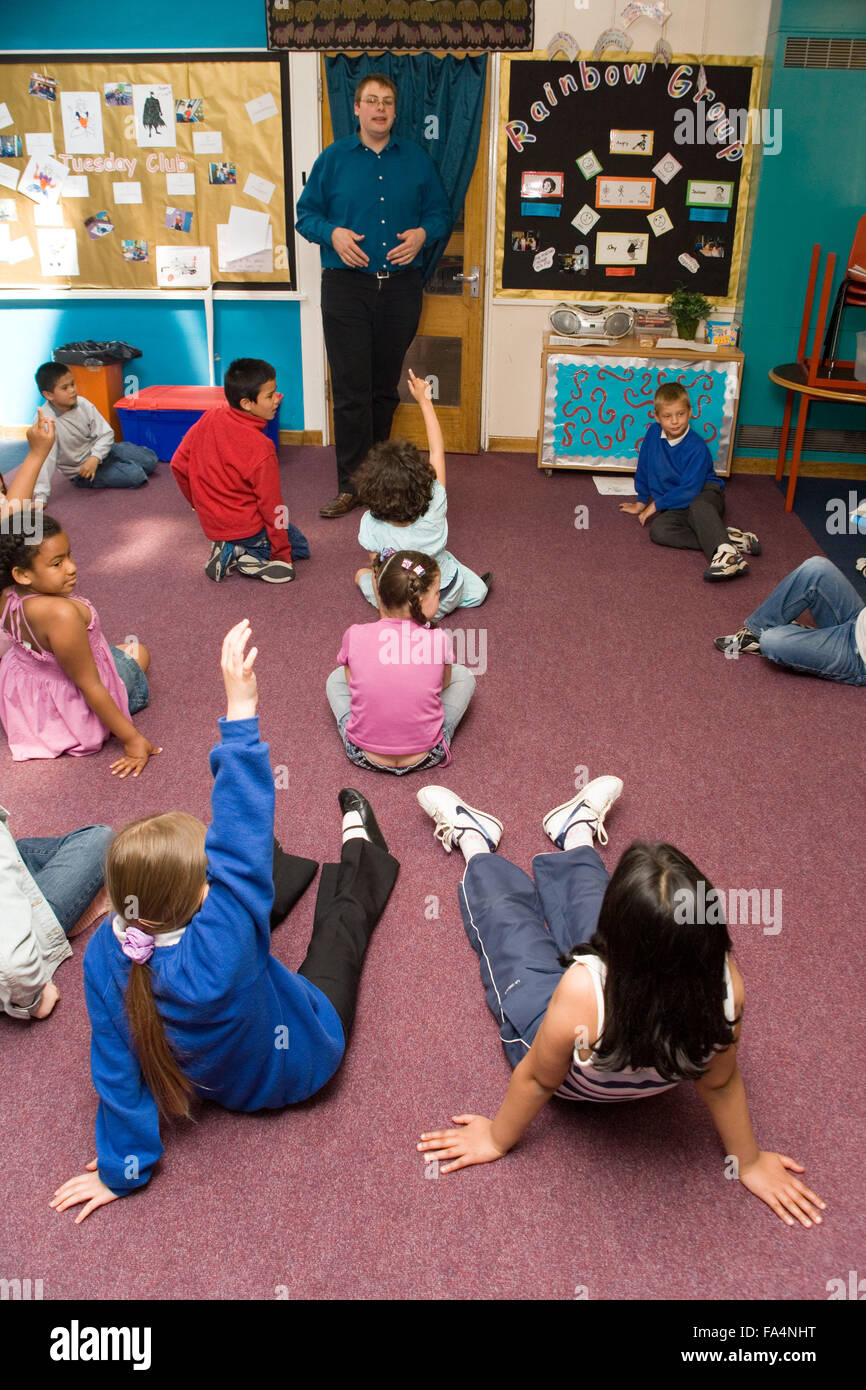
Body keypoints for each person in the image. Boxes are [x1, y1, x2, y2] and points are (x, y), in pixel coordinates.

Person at [50, 620, 399, 1223]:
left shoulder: (106, 957)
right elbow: (239, 838)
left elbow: (115, 1072)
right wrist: (241, 707)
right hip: (300, 1062)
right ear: (201, 898)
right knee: (338, 938)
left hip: (223, 1084)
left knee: (250, 878)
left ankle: (283, 874)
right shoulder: (226, 937)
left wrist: (122, 1168)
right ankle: (362, 847)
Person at [414, 779, 827, 1228]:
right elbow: (721, 1084)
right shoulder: (728, 984)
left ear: (613, 939)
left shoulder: (580, 990)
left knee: (510, 935)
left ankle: (475, 843)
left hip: (566, 1064)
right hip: (606, 1018)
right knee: (592, 906)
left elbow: (537, 1078)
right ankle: (574, 833)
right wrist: (747, 1162)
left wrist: (497, 1139)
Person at [295, 71, 452, 519]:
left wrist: (424, 233)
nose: (379, 108)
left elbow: (440, 213)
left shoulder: (417, 160)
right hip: (347, 287)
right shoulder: (334, 159)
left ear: (395, 111)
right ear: (358, 109)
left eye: (387, 101)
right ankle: (351, 485)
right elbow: (305, 216)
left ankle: (379, 480)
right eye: (371, 100)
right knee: (350, 390)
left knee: (383, 388)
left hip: (401, 288)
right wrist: (333, 232)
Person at [0, 515, 159, 775]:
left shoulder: (6, 590)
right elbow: (89, 684)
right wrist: (132, 740)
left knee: (122, 651)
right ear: (22, 574)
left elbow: (11, 527)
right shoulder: (60, 614)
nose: (72, 568)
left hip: (29, 694)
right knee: (139, 653)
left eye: (69, 556)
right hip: (70, 699)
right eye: (57, 563)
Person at [352, 369, 490, 617]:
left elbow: (379, 571)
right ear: (420, 480)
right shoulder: (435, 503)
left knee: (364, 576)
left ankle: (405, 614)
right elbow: (436, 452)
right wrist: (424, 400)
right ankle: (441, 602)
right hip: (445, 595)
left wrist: (386, 618)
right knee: (477, 591)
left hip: (403, 607)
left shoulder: (370, 524)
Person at [327, 548, 476, 775]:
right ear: (421, 599)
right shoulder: (439, 639)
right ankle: (430, 735)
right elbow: (443, 685)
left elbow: (350, 682)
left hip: (363, 754)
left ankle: (365, 733)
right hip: (427, 755)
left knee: (335, 679)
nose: (439, 597)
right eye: (437, 593)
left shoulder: (354, 633)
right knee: (464, 676)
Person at [171, 357, 303, 584]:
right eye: (270, 396)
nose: (276, 401)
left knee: (286, 538)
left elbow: (177, 464)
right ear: (246, 403)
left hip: (212, 524)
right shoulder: (262, 448)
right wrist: (282, 555)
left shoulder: (210, 416)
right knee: (301, 545)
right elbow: (273, 505)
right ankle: (250, 557)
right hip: (248, 528)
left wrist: (196, 503)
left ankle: (228, 546)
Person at [619, 382, 761, 581]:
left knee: (698, 506)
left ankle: (728, 558)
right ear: (657, 417)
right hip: (676, 503)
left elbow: (690, 490)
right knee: (659, 531)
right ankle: (724, 539)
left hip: (704, 494)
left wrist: (655, 505)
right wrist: (641, 501)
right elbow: (644, 466)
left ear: (690, 412)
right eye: (668, 416)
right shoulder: (653, 433)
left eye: (681, 414)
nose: (675, 421)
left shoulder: (697, 447)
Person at [0, 807, 113, 1020]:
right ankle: (79, 907)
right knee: (100, 840)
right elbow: (12, 964)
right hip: (15, 951)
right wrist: (33, 1001)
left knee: (20, 849)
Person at [714, 554, 866, 684]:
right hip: (858, 617)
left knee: (772, 640)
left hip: (857, 656)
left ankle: (799, 637)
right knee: (817, 567)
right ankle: (755, 632)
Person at [33, 363, 158, 502]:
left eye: (73, 384)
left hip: (103, 452)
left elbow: (106, 433)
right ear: (48, 394)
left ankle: (119, 463)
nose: (72, 390)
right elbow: (45, 459)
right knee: (137, 475)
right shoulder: (45, 422)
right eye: (65, 388)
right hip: (83, 470)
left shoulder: (83, 403)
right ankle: (118, 466)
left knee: (151, 460)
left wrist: (96, 457)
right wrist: (40, 497)